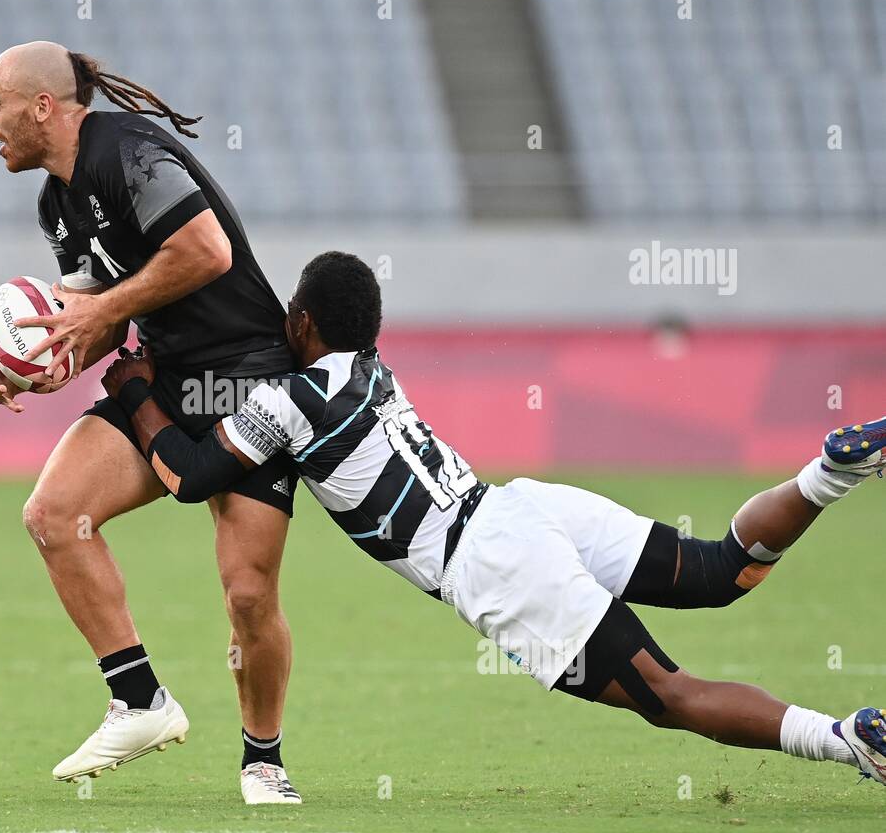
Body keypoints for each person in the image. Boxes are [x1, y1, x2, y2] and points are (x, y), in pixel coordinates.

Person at [99, 250, 886, 784]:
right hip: (520, 506)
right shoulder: (369, 366)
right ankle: (827, 473)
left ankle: (846, 736)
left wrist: (135, 389)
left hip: (495, 566)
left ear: (302, 322)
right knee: (724, 570)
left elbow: (192, 476)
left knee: (671, 695)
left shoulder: (294, 398)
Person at [0, 41, 302, 803]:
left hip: (248, 375)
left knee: (248, 594)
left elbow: (205, 251)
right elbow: (83, 328)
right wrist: (20, 361)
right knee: (54, 515)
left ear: (43, 106)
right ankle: (140, 700)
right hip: (162, 372)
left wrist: (101, 314)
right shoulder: (56, 201)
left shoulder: (129, 155)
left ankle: (263, 759)